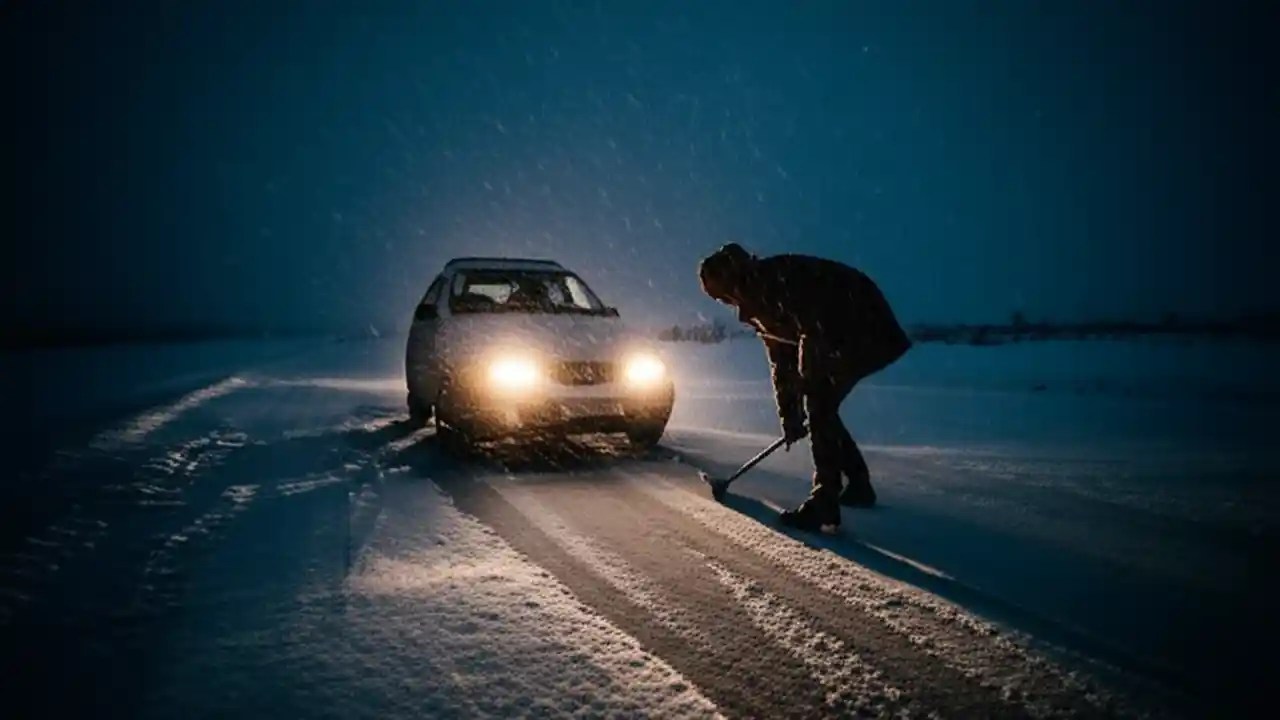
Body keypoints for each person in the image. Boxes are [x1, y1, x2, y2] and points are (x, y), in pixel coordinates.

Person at [697, 242, 911, 532]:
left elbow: (815, 331)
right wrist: (790, 415)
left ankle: (825, 502)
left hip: (866, 329)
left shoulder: (777, 283)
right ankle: (858, 484)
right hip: (845, 334)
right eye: (720, 300)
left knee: (819, 401)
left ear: (733, 280)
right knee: (822, 405)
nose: (729, 305)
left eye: (723, 296)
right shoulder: (758, 299)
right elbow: (780, 360)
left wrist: (808, 388)